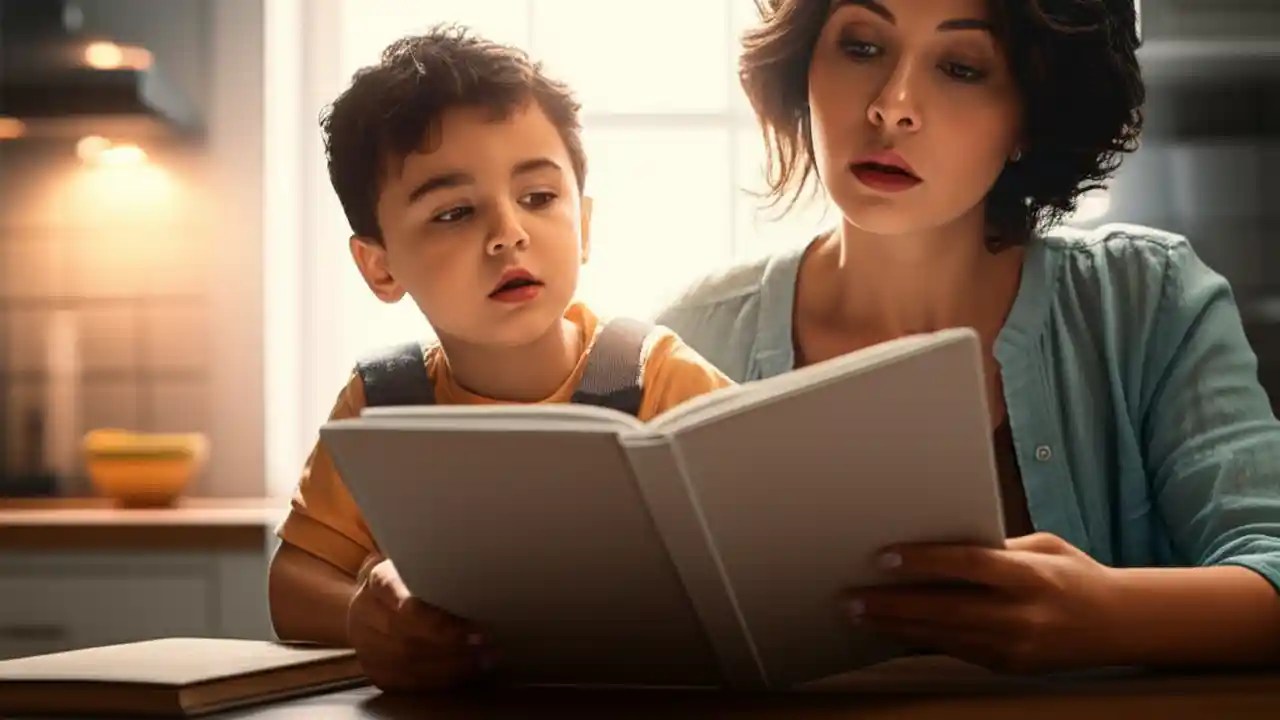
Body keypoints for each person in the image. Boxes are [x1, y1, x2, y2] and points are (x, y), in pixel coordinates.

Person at [657, 0, 1280, 673]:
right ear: (803, 64)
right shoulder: (693, 336)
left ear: (1029, 118)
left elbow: (1269, 557)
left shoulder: (1146, 301)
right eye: (862, 47)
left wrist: (1109, 614)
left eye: (960, 68)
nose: (892, 107)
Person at [267, 26, 734, 691]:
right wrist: (363, 618)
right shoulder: (380, 403)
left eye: (539, 198)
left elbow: (773, 554)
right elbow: (292, 583)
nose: (508, 234)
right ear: (379, 266)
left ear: (584, 225)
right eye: (455, 212)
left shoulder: (662, 378)